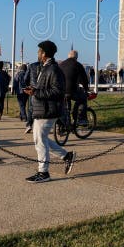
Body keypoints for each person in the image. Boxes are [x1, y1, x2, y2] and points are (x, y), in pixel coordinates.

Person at [21, 40, 75, 183]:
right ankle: (66, 156)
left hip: (48, 110)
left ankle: (43, 172)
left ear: (44, 54)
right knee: (41, 138)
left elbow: (57, 91)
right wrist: (33, 91)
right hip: (42, 108)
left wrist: (36, 92)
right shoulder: (45, 67)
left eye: (39, 51)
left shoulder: (53, 69)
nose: (38, 53)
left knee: (40, 141)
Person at [59, 50, 90, 125]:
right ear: (76, 57)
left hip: (61, 91)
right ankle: (81, 118)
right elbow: (84, 79)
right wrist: (86, 90)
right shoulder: (78, 65)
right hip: (71, 91)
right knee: (83, 98)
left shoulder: (61, 65)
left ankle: (65, 121)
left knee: (65, 104)